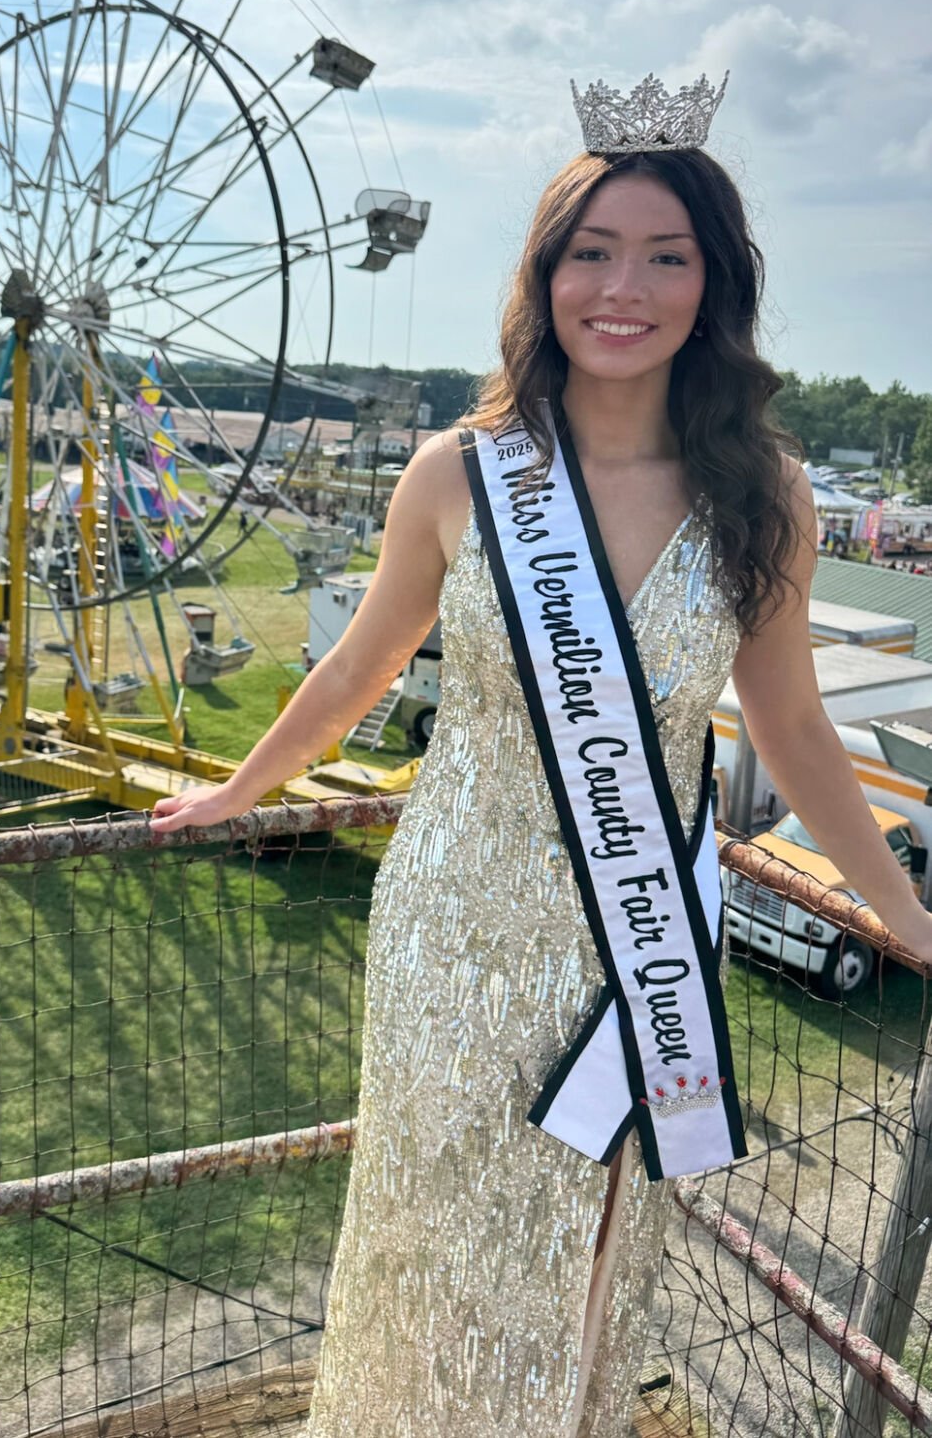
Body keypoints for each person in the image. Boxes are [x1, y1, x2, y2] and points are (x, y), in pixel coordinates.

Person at [149, 73, 932, 1436]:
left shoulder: (766, 495)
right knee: (429, 1230)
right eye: (592, 251)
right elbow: (355, 667)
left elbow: (793, 725)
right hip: (450, 926)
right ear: (546, 273)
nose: (621, 287)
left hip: (631, 941)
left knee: (586, 1240)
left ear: (711, 285)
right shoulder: (462, 472)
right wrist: (240, 786)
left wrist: (902, 908)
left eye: (664, 255)